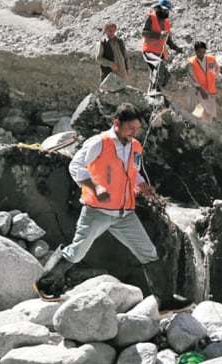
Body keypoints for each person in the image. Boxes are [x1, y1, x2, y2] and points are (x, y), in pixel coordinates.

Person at [34, 103, 192, 313]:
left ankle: (164, 301)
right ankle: (44, 284)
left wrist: (142, 185)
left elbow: (133, 172)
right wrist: (94, 187)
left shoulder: (135, 146)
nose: (134, 133)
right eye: (130, 128)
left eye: (136, 129)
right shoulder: (99, 143)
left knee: (149, 252)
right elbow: (75, 166)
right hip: (96, 211)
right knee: (78, 251)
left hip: (125, 214)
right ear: (116, 123)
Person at [141, 0, 183, 94]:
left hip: (159, 53)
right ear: (158, 8)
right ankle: (154, 92)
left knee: (166, 76)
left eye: (167, 10)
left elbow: (168, 40)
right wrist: (159, 34)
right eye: (164, 9)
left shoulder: (167, 23)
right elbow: (144, 33)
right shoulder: (151, 18)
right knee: (158, 69)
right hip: (149, 51)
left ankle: (156, 93)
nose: (166, 12)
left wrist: (177, 49)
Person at [187, 41, 219, 123]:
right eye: (199, 51)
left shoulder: (211, 59)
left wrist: (214, 78)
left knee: (211, 112)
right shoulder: (191, 62)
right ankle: (204, 128)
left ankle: (211, 127)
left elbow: (217, 69)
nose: (202, 53)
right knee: (203, 112)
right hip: (200, 91)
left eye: (203, 51)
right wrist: (201, 89)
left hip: (211, 90)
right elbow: (191, 77)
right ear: (196, 51)